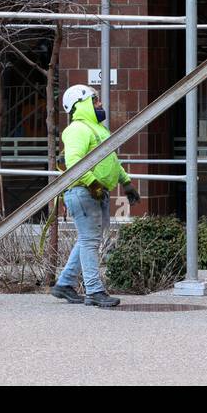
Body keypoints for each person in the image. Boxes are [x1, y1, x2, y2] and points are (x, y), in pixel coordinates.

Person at [50, 84, 140, 308]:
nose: (100, 104)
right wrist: (92, 184)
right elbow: (74, 162)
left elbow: (112, 161)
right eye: (95, 100)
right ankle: (94, 291)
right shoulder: (77, 129)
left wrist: (126, 182)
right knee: (90, 241)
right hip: (83, 192)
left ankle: (65, 284)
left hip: (95, 192)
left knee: (88, 240)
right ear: (81, 105)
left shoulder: (99, 130)